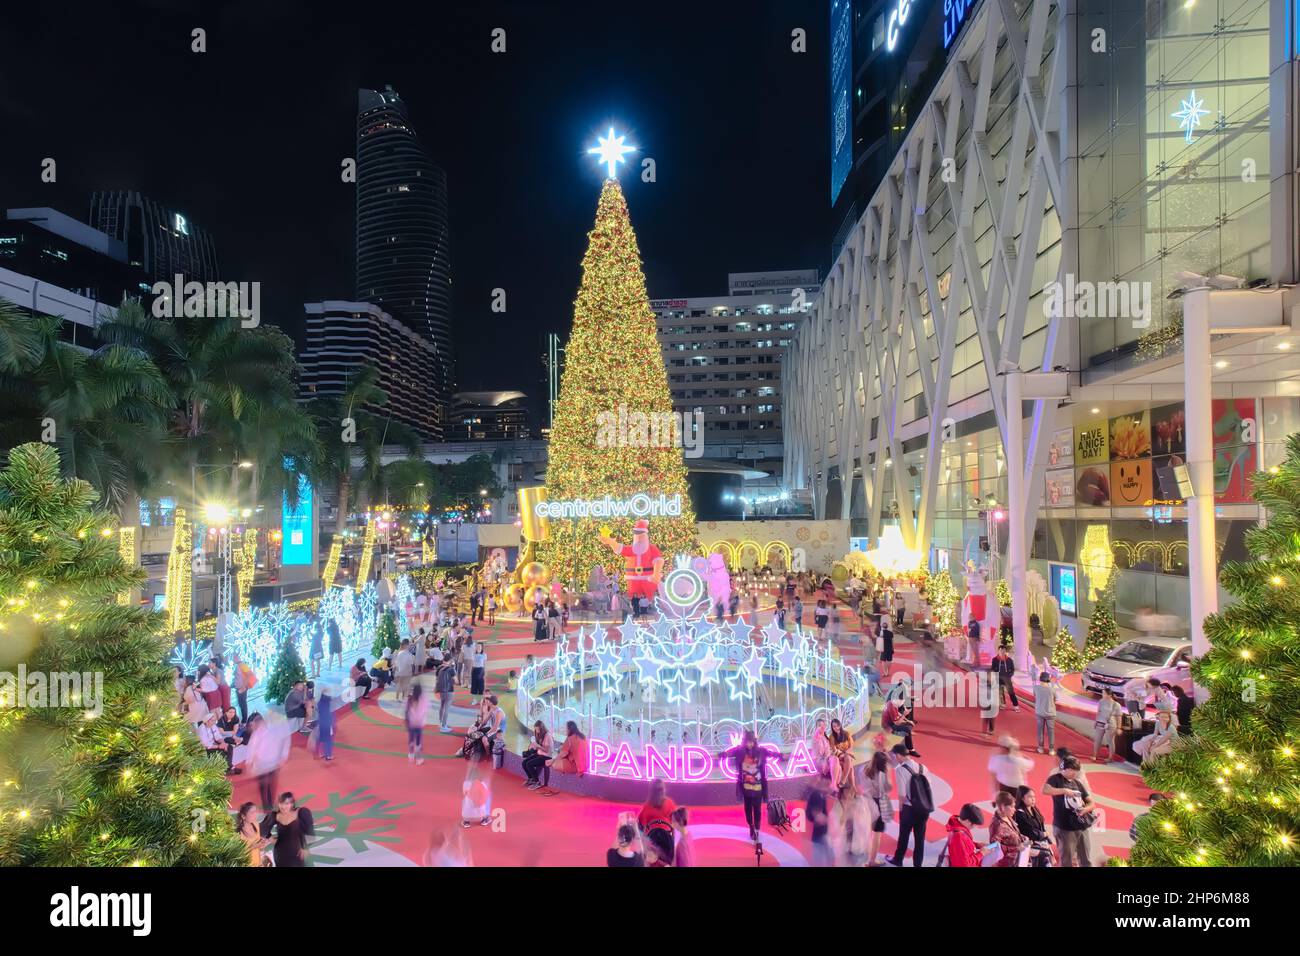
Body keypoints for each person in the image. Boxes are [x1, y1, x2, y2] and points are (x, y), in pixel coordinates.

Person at [718, 730, 772, 842]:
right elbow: (729, 753)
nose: (749, 744)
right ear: (744, 742)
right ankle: (751, 826)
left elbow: (772, 754)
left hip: (758, 788)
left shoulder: (761, 751)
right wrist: (722, 755)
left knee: (757, 810)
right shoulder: (740, 752)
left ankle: (757, 830)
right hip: (746, 788)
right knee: (748, 810)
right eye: (747, 742)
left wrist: (782, 755)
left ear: (754, 742)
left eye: (751, 742)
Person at [1042, 755, 1095, 867]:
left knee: (1086, 859)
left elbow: (1091, 803)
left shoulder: (1078, 783)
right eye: (1071, 770)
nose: (1074, 773)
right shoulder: (1055, 779)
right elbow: (1045, 790)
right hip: (1064, 827)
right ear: (1064, 769)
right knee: (1067, 860)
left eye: (1075, 771)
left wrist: (1085, 809)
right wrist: (1064, 791)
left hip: (1081, 825)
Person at [887, 744, 932, 867]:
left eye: (895, 755)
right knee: (920, 839)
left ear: (899, 755)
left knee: (904, 836)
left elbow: (902, 794)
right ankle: (917, 864)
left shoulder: (900, 770)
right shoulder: (923, 768)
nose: (895, 758)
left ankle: (898, 859)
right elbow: (929, 788)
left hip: (909, 808)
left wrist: (901, 811)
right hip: (923, 809)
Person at [260, 792, 315, 868]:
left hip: (297, 853)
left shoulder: (301, 812)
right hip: (280, 853)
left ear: (292, 804)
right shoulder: (275, 815)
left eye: (286, 803)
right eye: (281, 803)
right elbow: (262, 828)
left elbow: (310, 831)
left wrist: (305, 848)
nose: (283, 806)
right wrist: (270, 838)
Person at [860, 751, 892, 866]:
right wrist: (888, 773)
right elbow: (887, 788)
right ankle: (871, 861)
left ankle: (860, 859)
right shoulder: (882, 775)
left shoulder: (864, 770)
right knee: (877, 834)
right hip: (878, 803)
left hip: (865, 801)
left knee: (865, 832)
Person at [637, 779, 677, 866]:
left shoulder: (646, 807)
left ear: (651, 791)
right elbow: (675, 822)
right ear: (663, 790)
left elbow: (640, 825)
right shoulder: (670, 803)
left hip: (652, 840)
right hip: (667, 839)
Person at [1015, 786, 1054, 867]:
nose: (1033, 799)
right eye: (1030, 797)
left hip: (1042, 845)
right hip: (1030, 847)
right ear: (1022, 798)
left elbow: (1042, 828)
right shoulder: (1019, 813)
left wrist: (1049, 844)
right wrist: (1044, 834)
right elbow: (1031, 833)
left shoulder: (1035, 809)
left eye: (1034, 797)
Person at [988, 735, 1033, 800]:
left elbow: (994, 779)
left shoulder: (996, 759)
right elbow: (1031, 763)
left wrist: (994, 794)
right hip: (1018, 788)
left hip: (1003, 786)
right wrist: (1020, 754)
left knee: (1005, 805)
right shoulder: (1019, 761)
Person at [988, 791, 1027, 866]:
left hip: (1017, 861)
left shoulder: (1008, 817)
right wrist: (1016, 848)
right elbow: (994, 847)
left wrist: (1024, 838)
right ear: (1003, 807)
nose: (1014, 809)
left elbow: (1014, 835)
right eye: (1012, 807)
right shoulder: (996, 825)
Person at [805, 777, 835, 867]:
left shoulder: (820, 794)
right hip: (820, 835)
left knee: (824, 857)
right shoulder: (817, 795)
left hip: (820, 835)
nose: (830, 787)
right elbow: (816, 815)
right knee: (827, 857)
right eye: (828, 784)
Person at [880, 691, 918, 756]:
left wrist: (908, 721)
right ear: (899, 700)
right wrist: (904, 715)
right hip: (889, 727)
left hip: (891, 723)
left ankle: (908, 744)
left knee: (907, 725)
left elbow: (898, 714)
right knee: (907, 730)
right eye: (903, 701)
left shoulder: (892, 703)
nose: (903, 703)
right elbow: (897, 723)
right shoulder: (891, 707)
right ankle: (910, 750)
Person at [522, 720, 553, 789]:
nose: (537, 731)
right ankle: (531, 779)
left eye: (538, 729)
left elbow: (547, 750)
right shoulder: (538, 735)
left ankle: (537, 782)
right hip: (540, 754)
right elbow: (537, 747)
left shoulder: (547, 736)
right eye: (536, 729)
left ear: (542, 728)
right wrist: (532, 747)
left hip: (546, 756)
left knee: (529, 764)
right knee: (524, 762)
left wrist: (538, 746)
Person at [1092, 688, 1121, 761]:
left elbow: (1119, 717)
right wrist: (1096, 721)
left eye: (1104, 693)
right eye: (1102, 693)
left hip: (1110, 724)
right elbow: (1098, 712)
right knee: (1097, 740)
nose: (1102, 694)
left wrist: (1118, 728)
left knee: (1110, 741)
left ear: (1109, 695)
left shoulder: (1116, 704)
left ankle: (1110, 758)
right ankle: (1095, 755)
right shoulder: (1101, 701)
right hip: (1100, 722)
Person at [828, 718, 855, 796]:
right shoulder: (832, 737)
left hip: (847, 755)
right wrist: (841, 754)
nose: (836, 728)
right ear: (832, 728)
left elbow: (851, 746)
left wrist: (847, 752)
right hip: (839, 756)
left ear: (840, 725)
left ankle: (843, 780)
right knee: (850, 767)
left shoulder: (846, 734)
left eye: (837, 726)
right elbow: (834, 750)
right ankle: (853, 787)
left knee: (848, 758)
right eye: (834, 726)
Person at [236, 801, 268, 867]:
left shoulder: (256, 824)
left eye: (255, 811)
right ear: (243, 816)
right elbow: (237, 854)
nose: (255, 814)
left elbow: (258, 845)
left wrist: (262, 843)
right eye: (252, 813)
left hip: (258, 863)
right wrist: (253, 847)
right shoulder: (238, 832)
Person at [990, 645, 1021, 712]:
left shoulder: (1009, 660)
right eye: (1000, 650)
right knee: (1000, 692)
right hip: (998, 678)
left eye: (1003, 650)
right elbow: (992, 668)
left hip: (1007, 678)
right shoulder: (994, 659)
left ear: (1005, 651)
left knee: (1011, 692)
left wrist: (1010, 675)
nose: (1002, 652)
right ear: (998, 651)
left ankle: (1016, 706)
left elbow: (1012, 669)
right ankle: (1003, 704)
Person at [1033, 671, 1057, 753]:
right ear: (1048, 679)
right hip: (1050, 713)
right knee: (1051, 731)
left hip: (1039, 712)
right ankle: (1051, 749)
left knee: (1040, 731)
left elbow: (1035, 697)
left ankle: (1040, 748)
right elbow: (1056, 700)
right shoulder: (1052, 690)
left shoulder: (1035, 688)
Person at [405, 683, 429, 765]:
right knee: (418, 741)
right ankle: (418, 758)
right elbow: (425, 709)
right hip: (419, 724)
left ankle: (411, 754)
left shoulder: (410, 699)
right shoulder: (423, 699)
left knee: (411, 739)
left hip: (411, 723)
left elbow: (406, 710)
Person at [313, 689, 335, 761]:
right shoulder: (328, 702)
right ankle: (328, 755)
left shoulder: (319, 703)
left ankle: (319, 753)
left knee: (321, 738)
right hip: (327, 722)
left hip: (321, 722)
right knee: (328, 739)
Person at [435, 655, 456, 732]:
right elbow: (456, 681)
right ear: (450, 660)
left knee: (442, 705)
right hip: (449, 690)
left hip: (441, 689)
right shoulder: (451, 669)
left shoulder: (439, 668)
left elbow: (437, 679)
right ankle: (444, 726)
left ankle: (441, 722)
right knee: (447, 708)